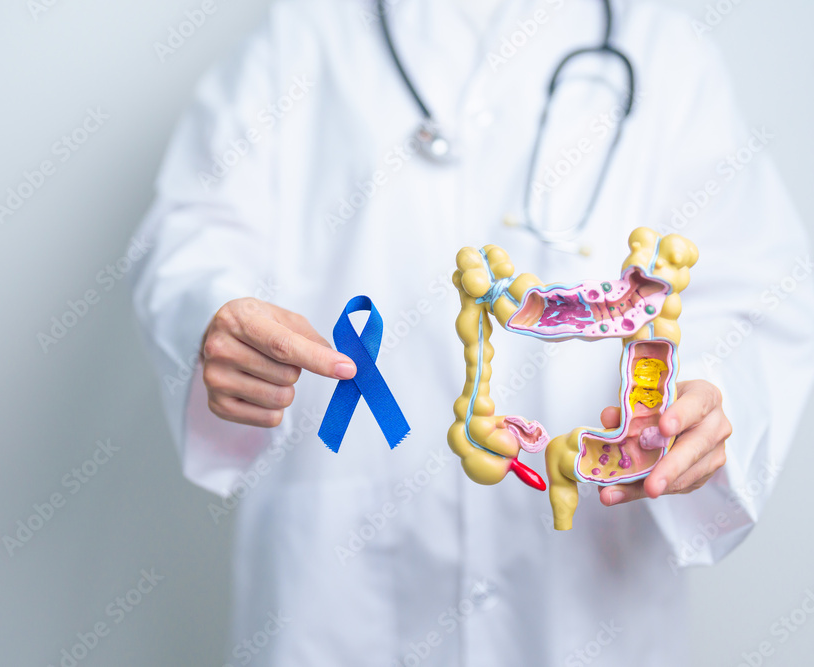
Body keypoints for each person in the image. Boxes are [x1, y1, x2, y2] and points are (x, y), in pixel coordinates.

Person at [132, 0, 814, 664]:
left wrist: (714, 397)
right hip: (340, 588)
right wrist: (212, 319)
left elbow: (760, 288)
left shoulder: (667, 54)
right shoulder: (304, 37)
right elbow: (193, 237)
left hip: (586, 600)